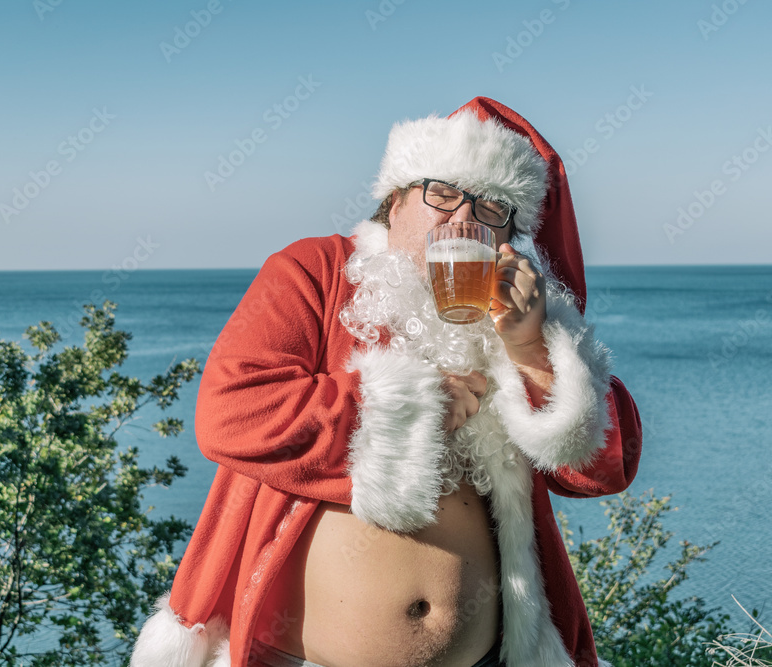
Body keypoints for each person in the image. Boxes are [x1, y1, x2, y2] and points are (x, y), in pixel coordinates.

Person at [130, 97, 643, 667]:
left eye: (491, 207)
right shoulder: (316, 271)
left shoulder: (522, 311)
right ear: (394, 201)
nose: (464, 218)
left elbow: (605, 469)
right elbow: (229, 410)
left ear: (507, 234)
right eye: (442, 194)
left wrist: (532, 355)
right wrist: (405, 408)